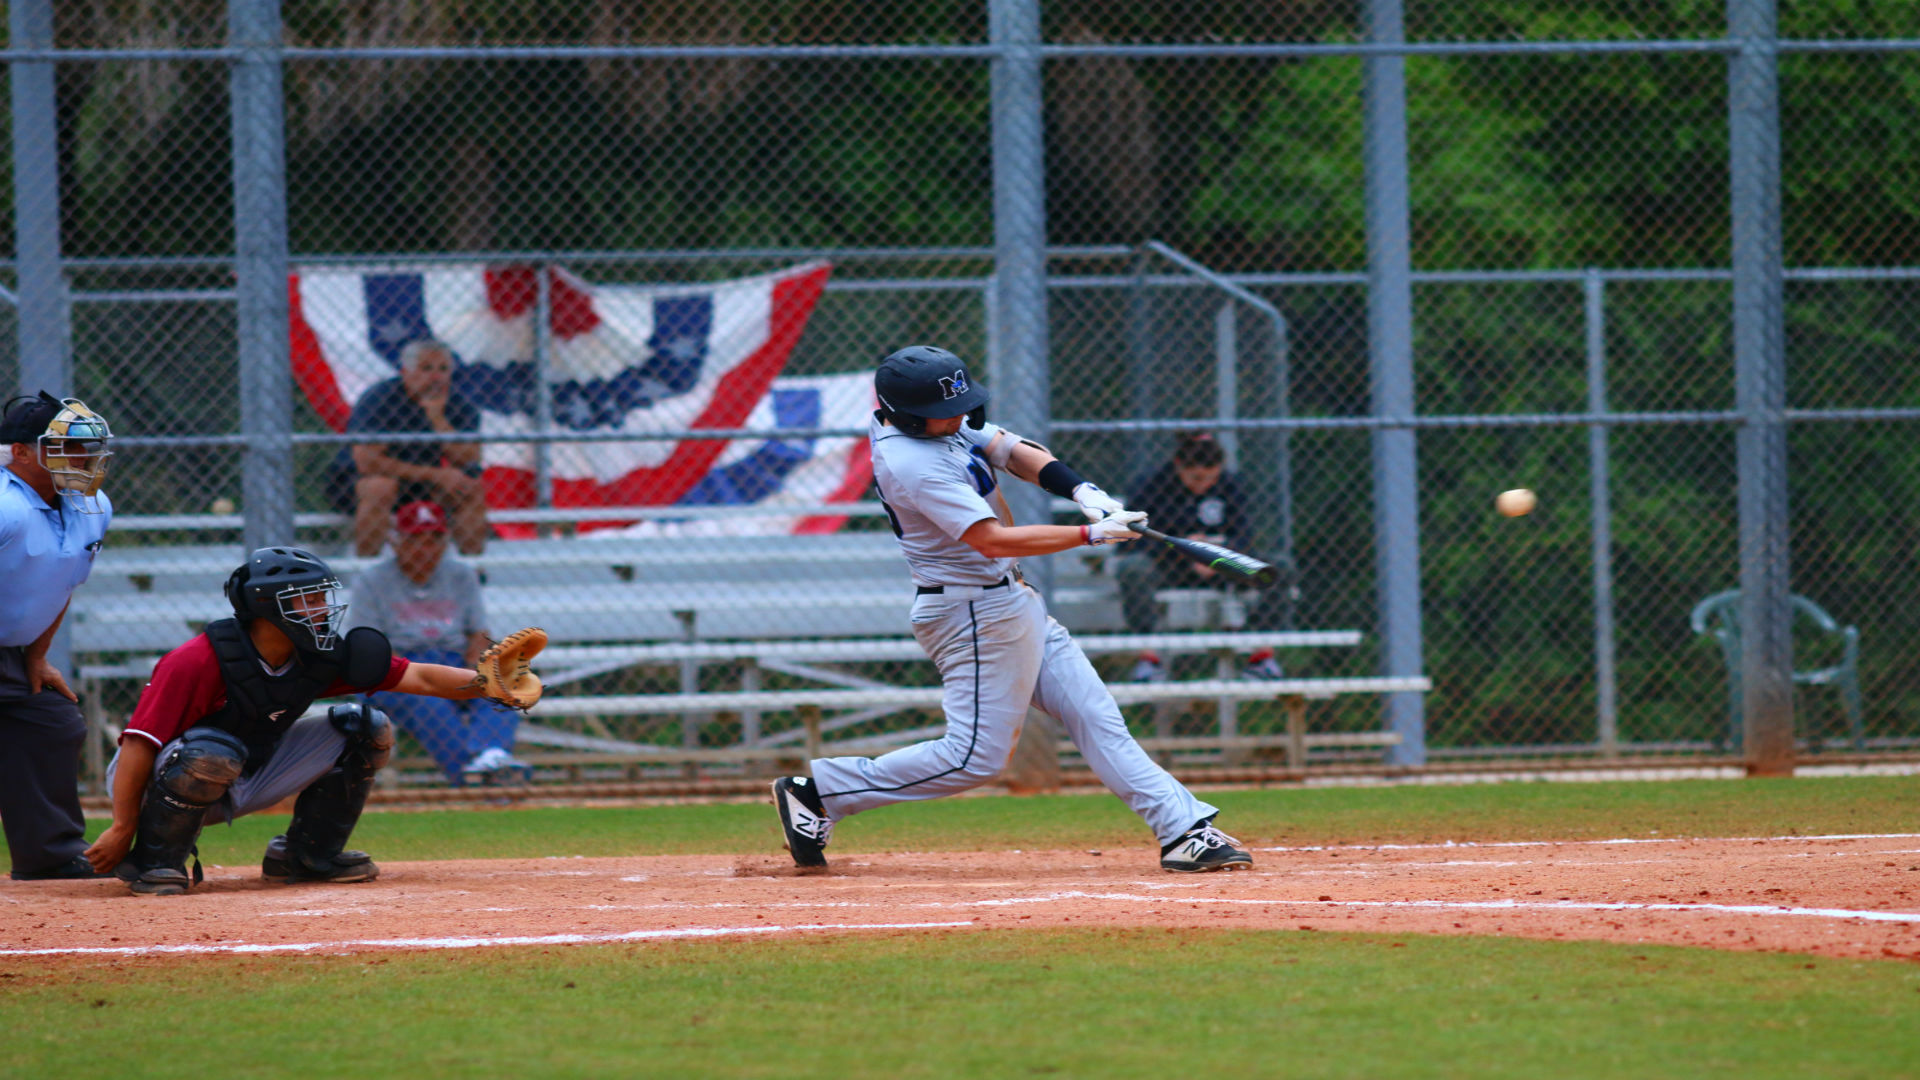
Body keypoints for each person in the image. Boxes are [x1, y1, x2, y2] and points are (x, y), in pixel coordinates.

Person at [770, 345, 1254, 875]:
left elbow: (1009, 447)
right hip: (974, 615)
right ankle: (820, 794)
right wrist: (1089, 533)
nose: (960, 419)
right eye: (943, 415)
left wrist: (1082, 489)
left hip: (1008, 603)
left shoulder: (934, 421)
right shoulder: (913, 460)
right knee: (972, 758)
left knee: (1095, 716)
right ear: (907, 417)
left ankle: (1183, 831)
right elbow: (993, 541)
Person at [81, 546, 521, 895]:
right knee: (213, 752)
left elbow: (419, 676)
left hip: (248, 767)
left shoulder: (319, 653)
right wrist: (122, 826)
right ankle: (156, 862)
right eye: (307, 599)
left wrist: (493, 683)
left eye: (322, 597)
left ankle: (307, 856)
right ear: (266, 606)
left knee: (366, 726)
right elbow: (138, 744)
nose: (322, 609)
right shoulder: (197, 660)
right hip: (161, 781)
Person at [0, 392, 114, 880]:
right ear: (20, 452)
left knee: (52, 723)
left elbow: (62, 580)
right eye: (68, 449)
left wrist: (38, 656)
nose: (84, 461)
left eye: (88, 449)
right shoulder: (6, 506)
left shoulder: (91, 506)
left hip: (12, 652)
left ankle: (50, 854)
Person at [349, 500, 527, 785]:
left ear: (446, 542)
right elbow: (370, 647)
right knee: (428, 702)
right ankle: (473, 778)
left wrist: (474, 669)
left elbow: (478, 635)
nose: (425, 549)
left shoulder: (460, 574)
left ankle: (490, 755)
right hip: (395, 668)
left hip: (451, 659)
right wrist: (426, 676)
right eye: (415, 539)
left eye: (434, 539)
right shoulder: (372, 581)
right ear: (396, 542)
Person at [1118, 432, 1295, 683]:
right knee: (1133, 568)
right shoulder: (1151, 485)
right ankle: (1150, 659)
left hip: (1223, 566)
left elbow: (1245, 536)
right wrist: (1185, 551)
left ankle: (1261, 657)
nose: (1204, 485)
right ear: (1179, 466)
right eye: (1196, 478)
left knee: (1279, 567)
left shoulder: (1230, 484)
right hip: (1170, 568)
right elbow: (1131, 540)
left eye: (1211, 477)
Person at [324, 338, 488, 557]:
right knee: (381, 487)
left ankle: (473, 570)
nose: (436, 377)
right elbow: (367, 461)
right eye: (426, 369)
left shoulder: (458, 403)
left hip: (422, 483)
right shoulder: (380, 398)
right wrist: (436, 475)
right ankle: (367, 570)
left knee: (470, 489)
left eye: (443, 369)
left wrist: (437, 418)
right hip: (357, 480)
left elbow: (470, 457)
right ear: (405, 372)